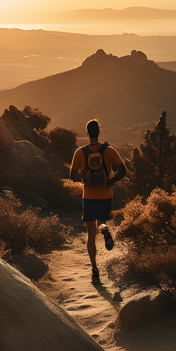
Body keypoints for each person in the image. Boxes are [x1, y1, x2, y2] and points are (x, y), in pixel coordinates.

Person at [70, 119, 126, 281]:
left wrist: (83, 178)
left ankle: (94, 269)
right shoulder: (110, 150)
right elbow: (123, 171)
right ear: (99, 132)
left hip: (88, 197)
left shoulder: (80, 152)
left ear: (87, 133)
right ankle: (105, 230)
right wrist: (110, 181)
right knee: (102, 221)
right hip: (105, 195)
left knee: (90, 235)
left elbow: (72, 176)